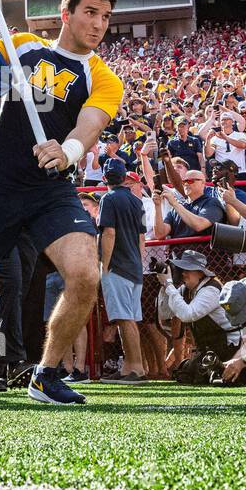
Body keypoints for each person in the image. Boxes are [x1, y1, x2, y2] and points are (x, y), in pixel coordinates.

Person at [0, 0, 123, 405]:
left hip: (50, 189)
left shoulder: (104, 78)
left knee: (85, 273)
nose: (99, 24)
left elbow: (91, 125)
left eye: (105, 16)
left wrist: (66, 151)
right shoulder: (24, 45)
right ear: (66, 14)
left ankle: (45, 374)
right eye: (90, 13)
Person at [98, 157, 147, 383]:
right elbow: (141, 237)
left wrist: (103, 265)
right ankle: (131, 367)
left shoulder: (108, 198)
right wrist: (139, 262)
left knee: (124, 318)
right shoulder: (137, 201)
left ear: (104, 178)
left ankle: (135, 368)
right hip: (134, 266)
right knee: (129, 318)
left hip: (117, 266)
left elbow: (109, 233)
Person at [153, 168, 232, 240]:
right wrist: (157, 206)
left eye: (190, 181)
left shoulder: (211, 203)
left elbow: (199, 225)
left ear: (203, 183)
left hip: (203, 254)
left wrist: (174, 203)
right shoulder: (176, 208)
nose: (186, 184)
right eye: (184, 182)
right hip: (178, 254)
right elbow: (160, 234)